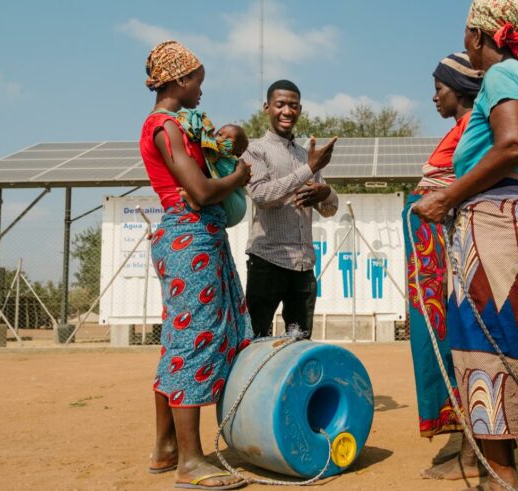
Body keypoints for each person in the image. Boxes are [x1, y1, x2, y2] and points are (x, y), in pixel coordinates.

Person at [413, 1, 518, 489]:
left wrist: (449, 198)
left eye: (467, 35)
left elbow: (512, 144)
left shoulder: (499, 77)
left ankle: (501, 478)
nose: (466, 44)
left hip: (493, 220)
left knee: (484, 346)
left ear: (479, 36)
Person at [138, 40, 252, 491]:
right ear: (180, 80)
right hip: (190, 236)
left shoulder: (174, 125)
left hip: (194, 236)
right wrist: (238, 177)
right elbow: (201, 192)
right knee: (195, 340)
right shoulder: (165, 126)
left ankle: (167, 448)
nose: (201, 92)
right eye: (198, 82)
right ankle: (190, 461)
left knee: (179, 339)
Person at [402, 52, 485, 481]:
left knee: (457, 341)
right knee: (441, 341)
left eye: (439, 89)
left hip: (445, 252)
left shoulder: (474, 128)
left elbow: (464, 184)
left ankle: (473, 453)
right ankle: (465, 443)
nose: (434, 97)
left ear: (459, 89)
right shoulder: (461, 129)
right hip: (430, 252)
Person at [243, 80, 338, 339]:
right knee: (255, 339)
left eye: (293, 106)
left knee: (299, 344)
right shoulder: (254, 150)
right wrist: (308, 169)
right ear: (267, 107)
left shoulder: (306, 154)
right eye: (280, 104)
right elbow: (262, 196)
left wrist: (325, 192)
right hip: (267, 263)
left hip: (303, 268)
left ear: (300, 109)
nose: (287, 111)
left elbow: (329, 209)